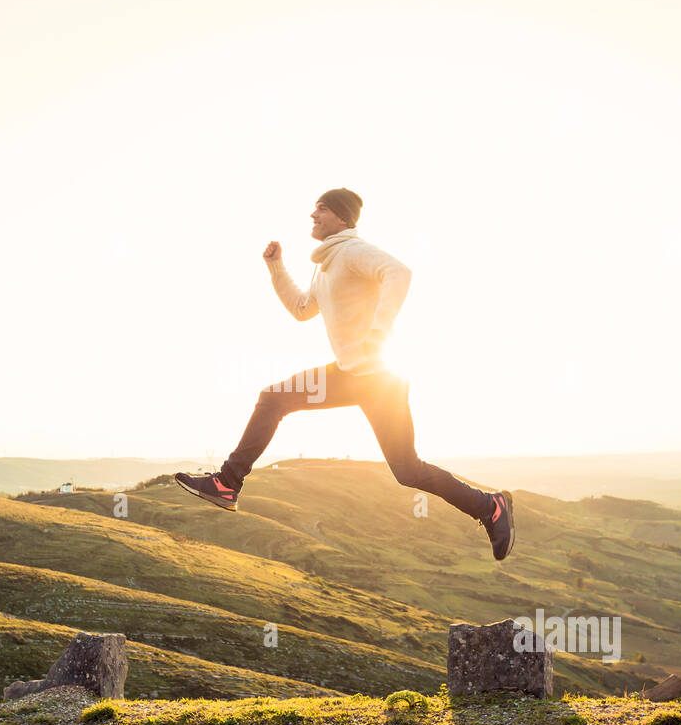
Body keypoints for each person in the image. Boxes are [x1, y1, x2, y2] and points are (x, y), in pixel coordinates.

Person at [175, 187, 516, 560]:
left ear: (341, 217)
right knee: (273, 399)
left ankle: (490, 506)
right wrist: (276, 267)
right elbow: (303, 309)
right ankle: (227, 483)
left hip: (378, 379)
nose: (312, 216)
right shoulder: (326, 266)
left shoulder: (353, 251)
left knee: (407, 470)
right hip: (346, 375)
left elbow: (399, 273)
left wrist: (378, 334)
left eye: (320, 209)